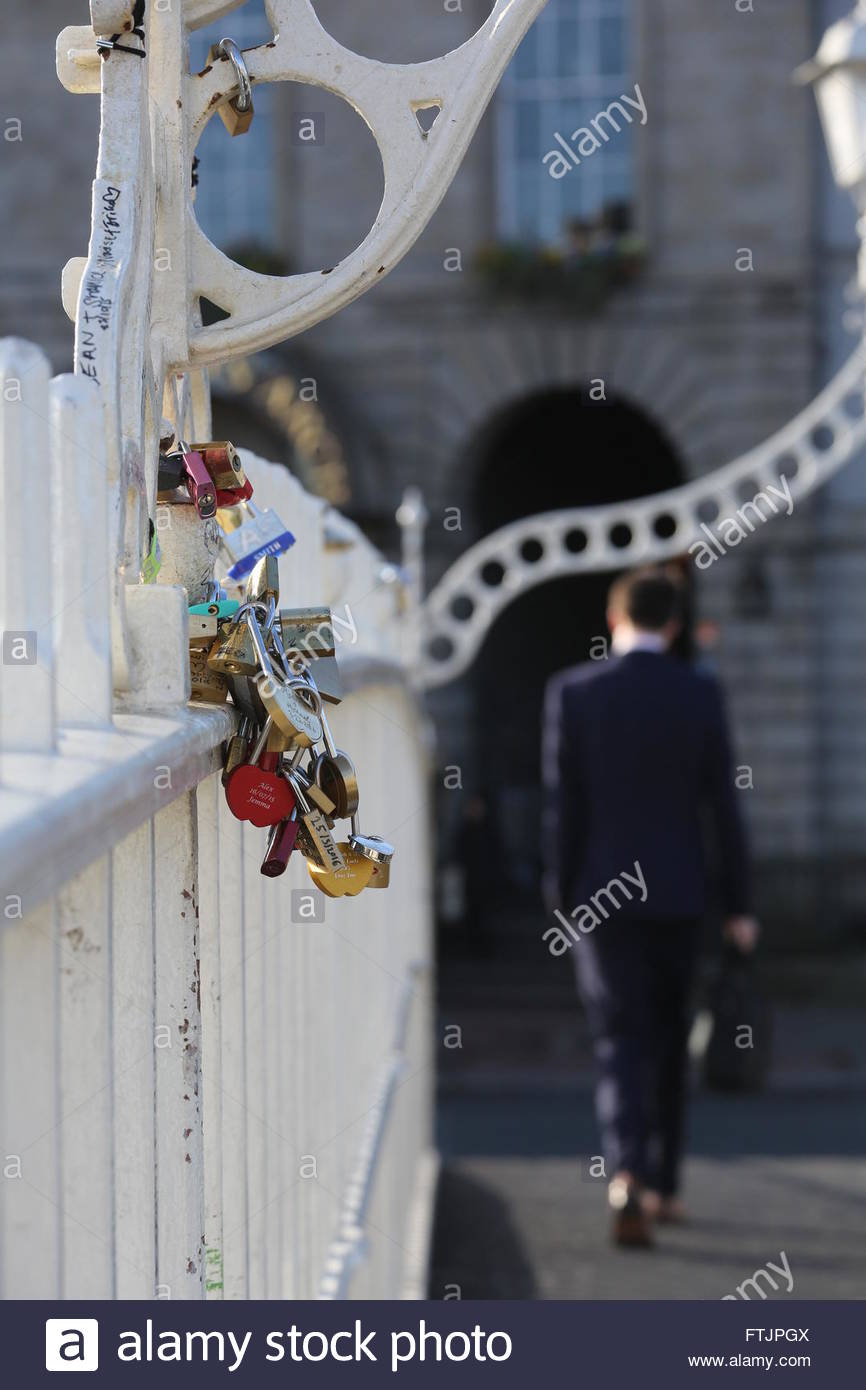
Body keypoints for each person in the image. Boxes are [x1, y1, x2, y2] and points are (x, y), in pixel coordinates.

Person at [541, 568, 758, 1247]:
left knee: (619, 1040)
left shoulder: (572, 693)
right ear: (672, 625)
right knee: (669, 1039)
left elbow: (562, 807)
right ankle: (664, 1185)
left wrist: (561, 891)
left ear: (614, 619)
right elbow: (723, 806)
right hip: (680, 892)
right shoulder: (699, 693)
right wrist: (739, 904)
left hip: (602, 900)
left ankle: (627, 1169)